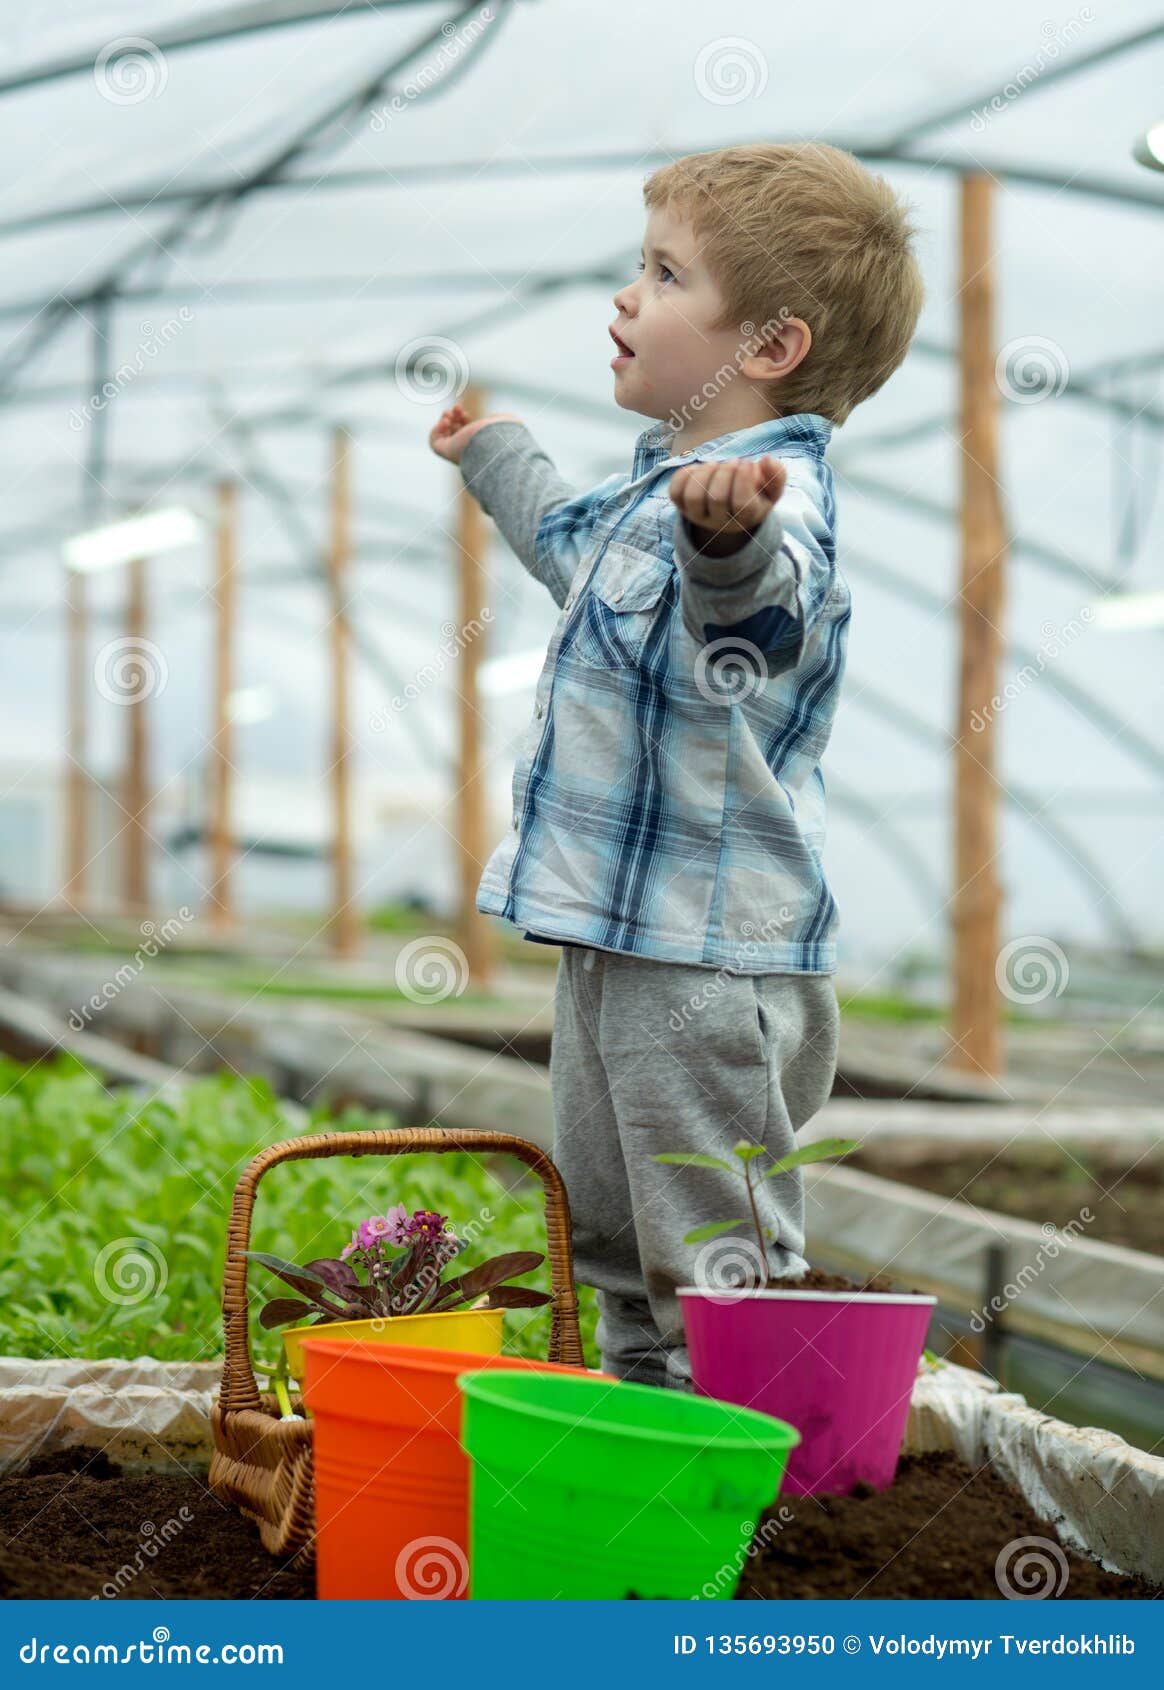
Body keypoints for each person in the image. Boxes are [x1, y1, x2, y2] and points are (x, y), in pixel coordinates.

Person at [427, 142, 925, 1388]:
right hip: (613, 935)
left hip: (706, 959)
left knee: (715, 1237)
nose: (626, 294)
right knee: (608, 1222)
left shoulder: (772, 504)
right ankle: (647, 1426)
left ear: (770, 345)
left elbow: (756, 611)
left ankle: (750, 1458)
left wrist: (726, 545)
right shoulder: (653, 494)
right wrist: (497, 452)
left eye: (665, 274)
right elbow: (567, 546)